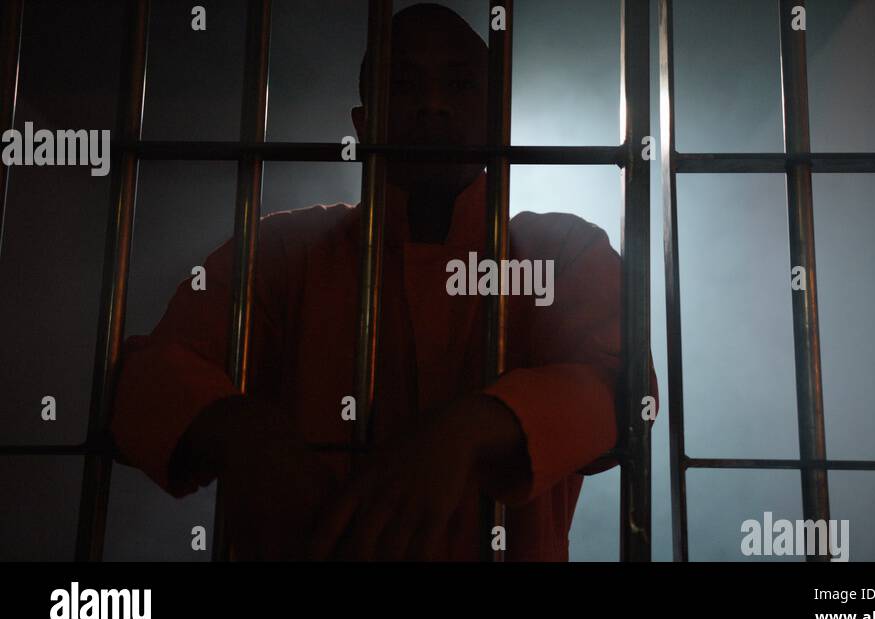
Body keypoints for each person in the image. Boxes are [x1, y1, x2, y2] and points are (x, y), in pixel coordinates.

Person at [110, 3, 658, 561]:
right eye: (402, 84)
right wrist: (235, 429)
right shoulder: (281, 251)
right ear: (362, 123)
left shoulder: (564, 250)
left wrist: (473, 427)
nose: (432, 104)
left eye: (460, 84)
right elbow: (142, 377)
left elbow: (625, 391)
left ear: (498, 122)